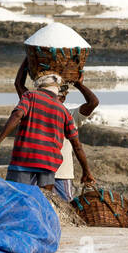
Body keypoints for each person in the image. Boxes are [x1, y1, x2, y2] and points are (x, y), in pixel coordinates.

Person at [0, 71, 94, 195]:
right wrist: (86, 171)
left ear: (40, 87)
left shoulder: (31, 96)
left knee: (16, 199)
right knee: (45, 202)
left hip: (25, 160)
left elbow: (17, 114)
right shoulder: (64, 112)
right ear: (56, 91)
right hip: (49, 166)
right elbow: (77, 146)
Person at [12, 59, 99, 201]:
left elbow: (93, 102)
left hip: (61, 174)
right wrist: (27, 60)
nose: (49, 99)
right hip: (37, 169)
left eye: (55, 96)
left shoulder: (71, 115)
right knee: (30, 204)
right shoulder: (34, 108)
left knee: (65, 210)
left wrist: (78, 83)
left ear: (63, 98)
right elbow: (18, 84)